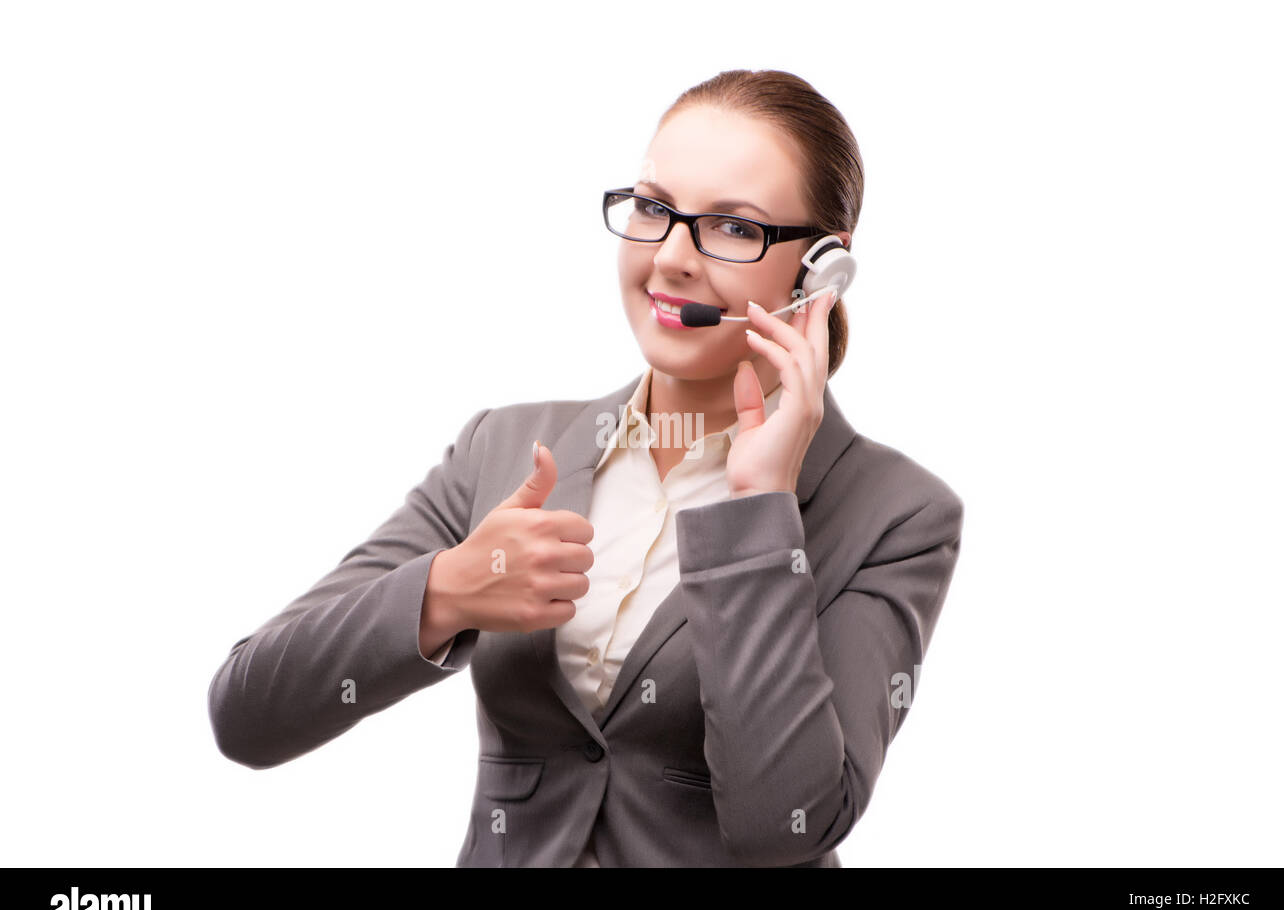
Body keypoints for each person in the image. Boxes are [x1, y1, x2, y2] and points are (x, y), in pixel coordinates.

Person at [208, 69, 964, 867]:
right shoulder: (505, 447)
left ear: (821, 269)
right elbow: (246, 712)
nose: (670, 259)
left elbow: (787, 825)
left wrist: (758, 506)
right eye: (653, 208)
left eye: (732, 228)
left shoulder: (897, 513)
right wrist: (447, 591)